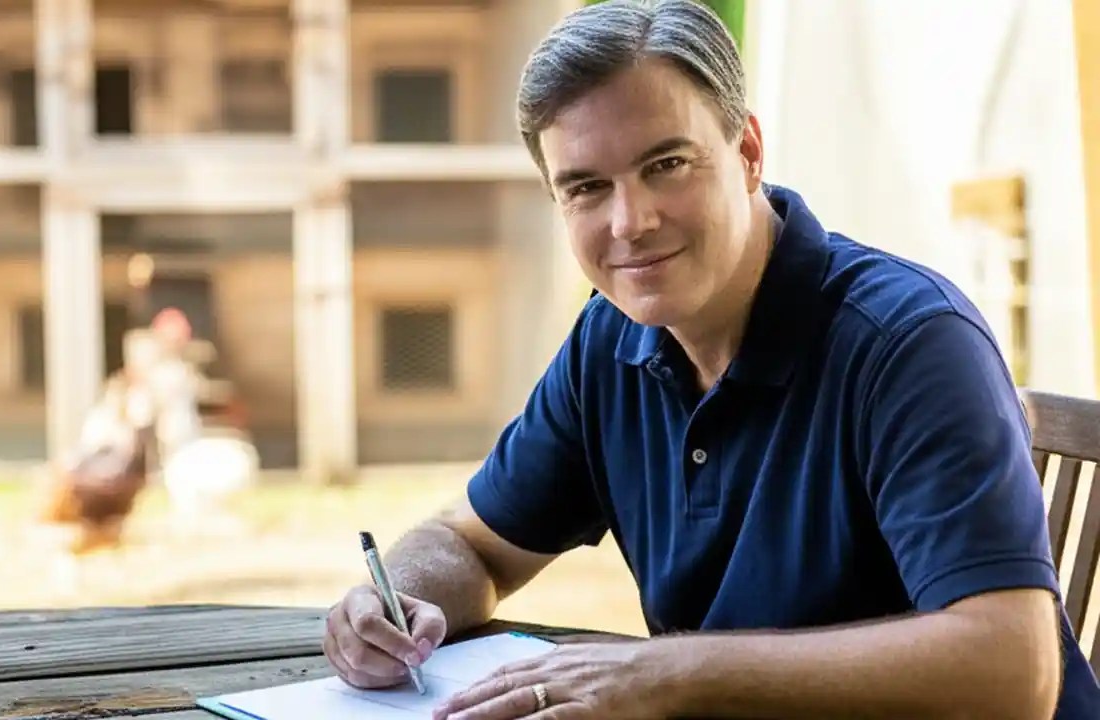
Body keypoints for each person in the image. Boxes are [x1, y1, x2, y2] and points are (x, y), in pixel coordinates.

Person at [323, 1, 1100, 718]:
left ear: (749, 151)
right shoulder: (610, 340)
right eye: (587, 187)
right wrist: (396, 603)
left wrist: (664, 674)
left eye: (666, 165)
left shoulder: (908, 344)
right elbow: (470, 543)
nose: (631, 222)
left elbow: (1012, 672)